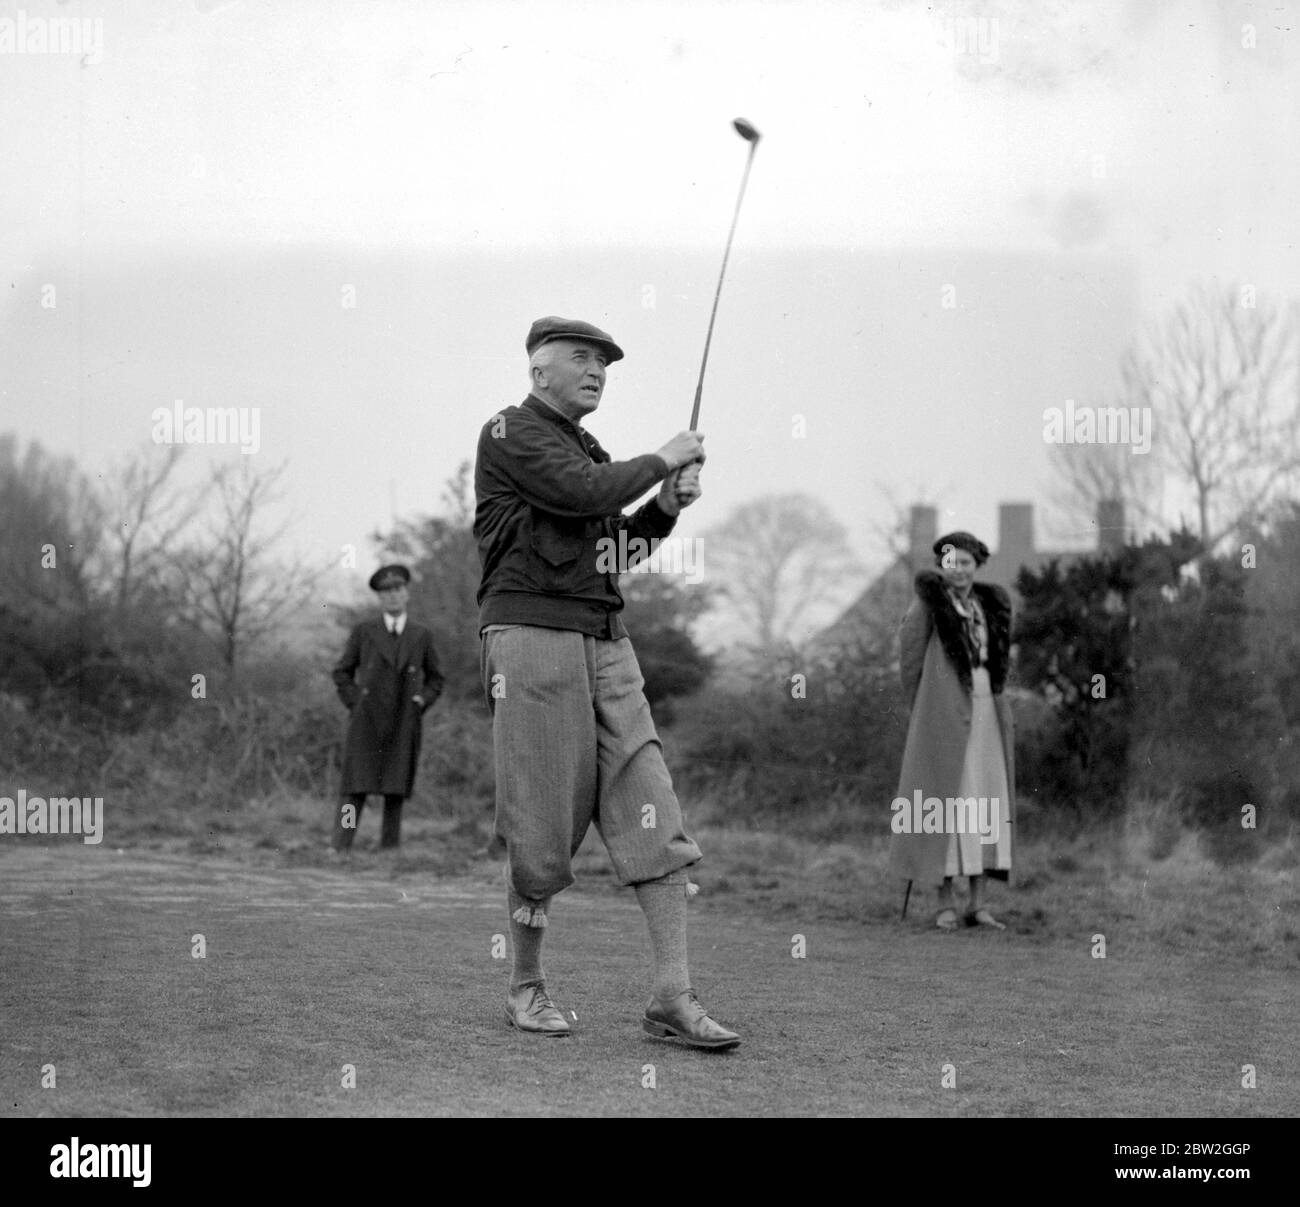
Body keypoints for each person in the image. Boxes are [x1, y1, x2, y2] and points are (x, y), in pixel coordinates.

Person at [473, 314, 739, 1049]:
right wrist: (662, 459)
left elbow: (612, 547)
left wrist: (663, 507)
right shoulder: (509, 432)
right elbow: (583, 492)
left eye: (604, 363)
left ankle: (671, 996)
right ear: (539, 372)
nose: (597, 370)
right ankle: (525, 986)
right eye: (582, 358)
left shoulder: (586, 451)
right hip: (530, 637)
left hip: (604, 636)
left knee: (654, 808)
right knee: (540, 822)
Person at [889, 531, 1015, 929]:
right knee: (944, 805)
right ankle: (944, 904)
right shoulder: (929, 606)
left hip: (986, 714)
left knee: (986, 800)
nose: (958, 570)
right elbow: (910, 661)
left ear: (977, 566)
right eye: (951, 562)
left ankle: (978, 904)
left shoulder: (989, 606)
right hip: (942, 716)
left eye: (966, 563)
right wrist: (924, 711)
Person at [330, 564, 444, 852]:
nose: (392, 596)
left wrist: (421, 701)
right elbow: (342, 672)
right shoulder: (364, 631)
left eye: (397, 590)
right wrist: (356, 703)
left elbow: (436, 679)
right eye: (385, 592)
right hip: (366, 719)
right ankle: (340, 847)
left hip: (404, 718)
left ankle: (389, 850)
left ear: (407, 594)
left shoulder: (421, 635)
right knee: (355, 786)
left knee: (395, 786)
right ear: (379, 598)